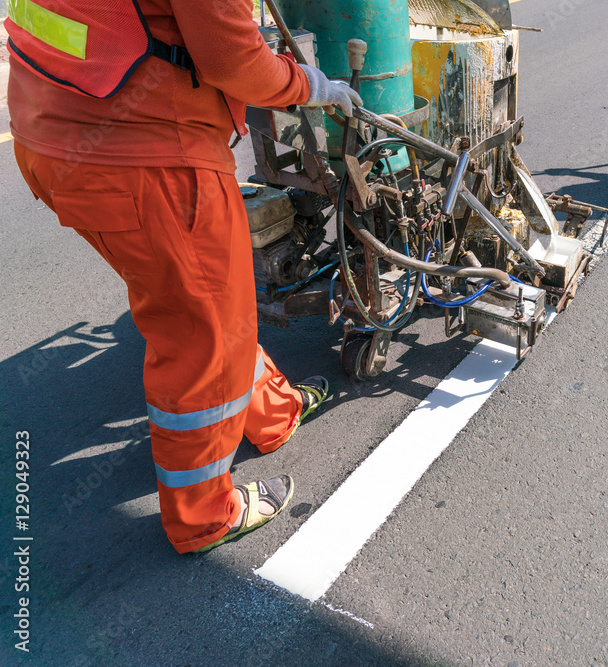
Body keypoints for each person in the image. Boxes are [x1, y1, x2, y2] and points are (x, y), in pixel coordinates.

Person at [5, 1, 361, 553]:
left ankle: (272, 413)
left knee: (213, 301)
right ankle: (202, 515)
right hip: (141, 156)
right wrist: (309, 85)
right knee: (201, 335)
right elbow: (231, 60)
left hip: (51, 133)